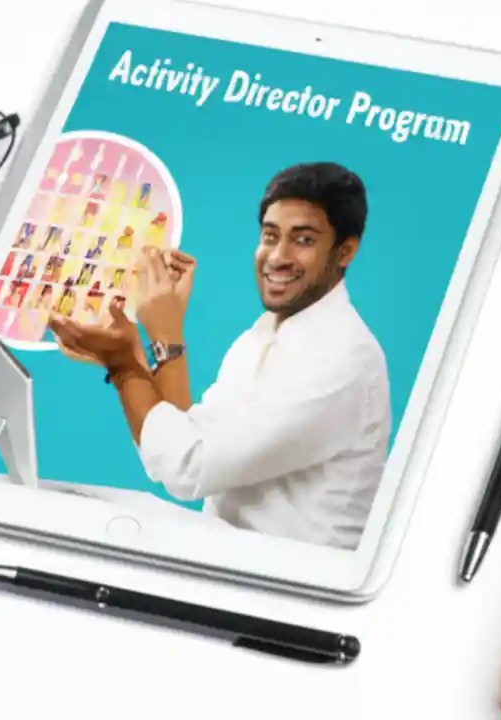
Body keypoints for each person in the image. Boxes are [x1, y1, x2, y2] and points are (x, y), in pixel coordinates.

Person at [48, 162, 391, 550]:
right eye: (270, 235)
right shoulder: (261, 336)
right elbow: (183, 436)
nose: (278, 256)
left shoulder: (343, 359)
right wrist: (148, 348)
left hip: (291, 591)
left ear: (345, 251)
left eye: (304, 240)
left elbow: (187, 468)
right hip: (231, 563)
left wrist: (128, 364)